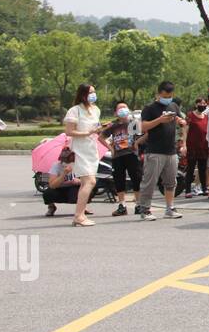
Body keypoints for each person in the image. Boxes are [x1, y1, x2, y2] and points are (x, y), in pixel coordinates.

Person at [136, 81, 186, 221]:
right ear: (159, 94)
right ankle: (145, 209)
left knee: (171, 182)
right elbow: (143, 127)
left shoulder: (173, 106)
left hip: (171, 150)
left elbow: (180, 120)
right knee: (149, 181)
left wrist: (180, 123)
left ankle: (170, 208)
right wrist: (159, 120)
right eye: (165, 95)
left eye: (170, 95)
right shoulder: (150, 108)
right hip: (155, 151)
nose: (168, 98)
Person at [62, 84, 104, 227]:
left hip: (92, 149)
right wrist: (87, 133)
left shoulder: (96, 110)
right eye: (90, 92)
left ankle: (80, 214)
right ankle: (78, 215)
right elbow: (69, 131)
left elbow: (95, 129)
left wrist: (100, 129)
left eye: (94, 92)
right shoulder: (75, 111)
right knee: (90, 181)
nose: (93, 95)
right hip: (80, 149)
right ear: (83, 95)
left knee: (86, 183)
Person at [98, 100, 142, 214]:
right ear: (115, 113)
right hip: (118, 156)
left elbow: (143, 134)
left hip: (131, 154)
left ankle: (139, 204)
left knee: (136, 178)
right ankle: (122, 205)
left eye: (125, 107)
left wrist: (137, 143)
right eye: (120, 108)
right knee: (119, 180)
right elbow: (101, 137)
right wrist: (111, 148)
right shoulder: (113, 125)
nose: (123, 110)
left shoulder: (133, 123)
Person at [42, 146, 93, 219]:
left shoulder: (80, 165)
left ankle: (82, 207)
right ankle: (51, 207)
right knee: (48, 193)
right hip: (60, 188)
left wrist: (79, 181)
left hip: (74, 188)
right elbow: (52, 185)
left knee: (87, 190)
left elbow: (89, 180)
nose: (68, 162)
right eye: (65, 159)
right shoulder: (56, 166)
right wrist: (64, 174)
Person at [185, 97, 209, 195]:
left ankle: (204, 188)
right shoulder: (190, 115)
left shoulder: (206, 116)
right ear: (196, 104)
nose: (203, 105)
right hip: (192, 146)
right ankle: (188, 190)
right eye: (201, 103)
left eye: (204, 103)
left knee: (202, 168)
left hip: (203, 146)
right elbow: (185, 130)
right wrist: (184, 144)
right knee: (190, 168)